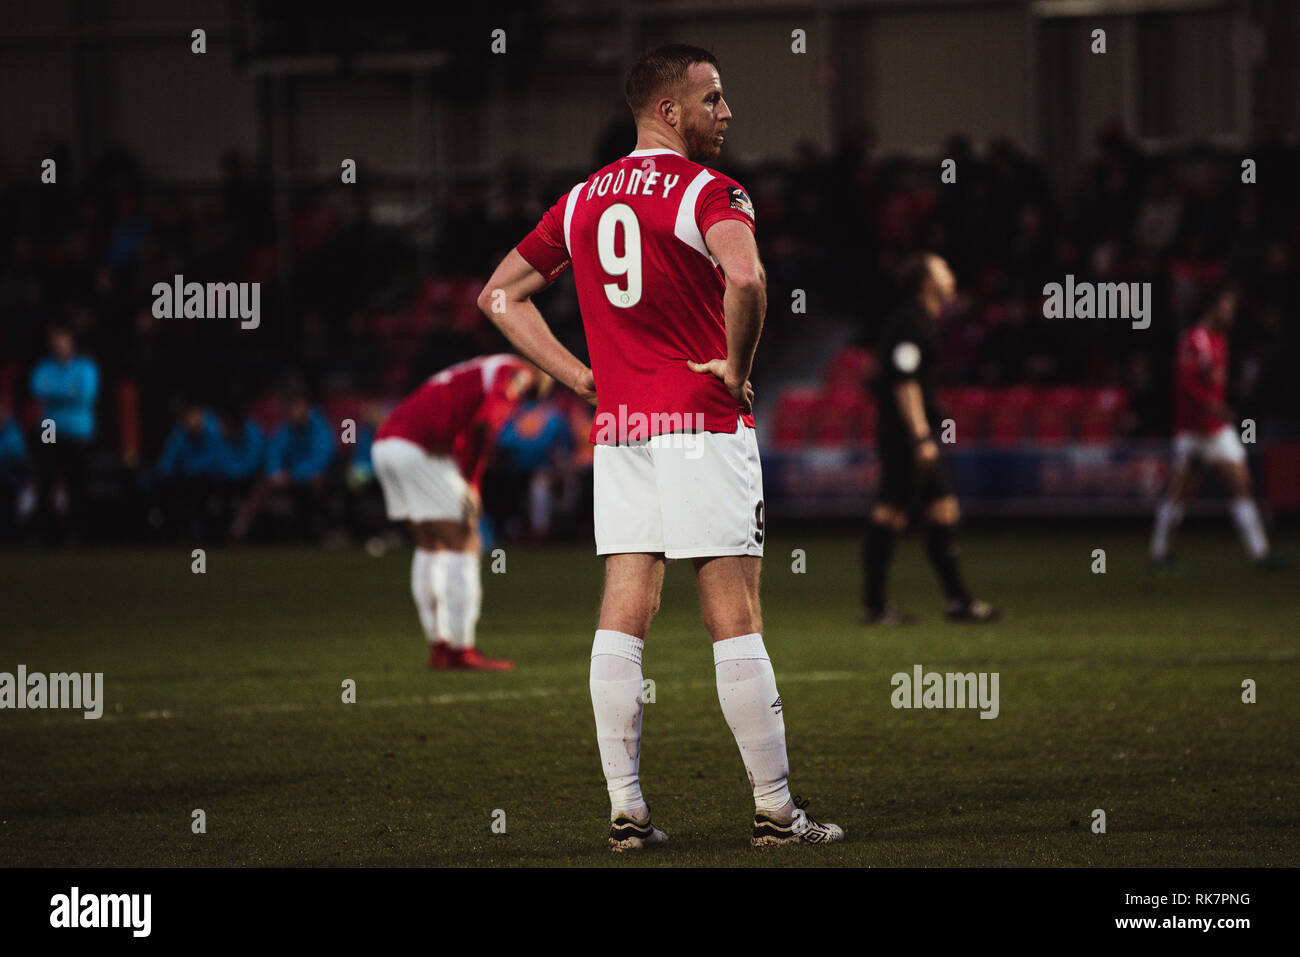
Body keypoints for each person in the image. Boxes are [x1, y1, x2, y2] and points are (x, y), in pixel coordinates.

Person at [479, 44, 843, 851]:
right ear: (669, 111)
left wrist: (579, 377)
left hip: (623, 431)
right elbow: (746, 281)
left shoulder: (580, 198)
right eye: (713, 98)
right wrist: (737, 367)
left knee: (623, 613)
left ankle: (627, 809)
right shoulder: (710, 190)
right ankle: (776, 809)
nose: (727, 112)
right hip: (701, 423)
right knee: (734, 613)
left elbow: (498, 294)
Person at [371, 354, 549, 671]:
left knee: (430, 545)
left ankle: (440, 645)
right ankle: (460, 648)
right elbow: (485, 421)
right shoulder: (518, 372)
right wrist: (472, 481)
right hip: (420, 448)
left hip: (387, 445)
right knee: (465, 542)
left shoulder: (482, 367)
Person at [861, 253, 1001, 625]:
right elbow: (902, 381)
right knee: (890, 511)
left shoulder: (920, 321)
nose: (951, 276)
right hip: (906, 435)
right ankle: (874, 607)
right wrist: (921, 436)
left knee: (942, 509)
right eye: (944, 269)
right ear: (926, 282)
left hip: (912, 433)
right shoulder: (910, 322)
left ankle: (958, 601)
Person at [1149, 283, 1286, 570]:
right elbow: (1184, 384)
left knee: (1241, 483)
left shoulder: (1220, 340)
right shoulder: (1193, 340)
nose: (1231, 312)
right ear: (1211, 307)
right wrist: (1211, 405)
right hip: (1192, 430)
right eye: (1226, 306)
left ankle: (1260, 554)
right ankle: (1160, 553)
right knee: (1182, 492)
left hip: (1216, 429)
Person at [231, 392, 335, 542]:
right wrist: (275, 472)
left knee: (317, 483)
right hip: (289, 477)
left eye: (299, 407)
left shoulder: (320, 427)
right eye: (293, 408)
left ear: (307, 408)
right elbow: (274, 452)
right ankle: (240, 528)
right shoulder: (285, 428)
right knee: (263, 484)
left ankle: (321, 530)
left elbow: (322, 458)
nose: (296, 412)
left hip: (309, 476)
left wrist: (293, 474)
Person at [29, 326, 99, 543]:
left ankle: (81, 533)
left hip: (78, 434)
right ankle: (46, 533)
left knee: (78, 484)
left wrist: (55, 394)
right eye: (56, 340)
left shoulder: (85, 367)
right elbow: (37, 390)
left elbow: (86, 394)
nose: (59, 345)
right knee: (46, 482)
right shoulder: (44, 367)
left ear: (71, 342)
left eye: (63, 340)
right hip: (50, 431)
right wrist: (69, 391)